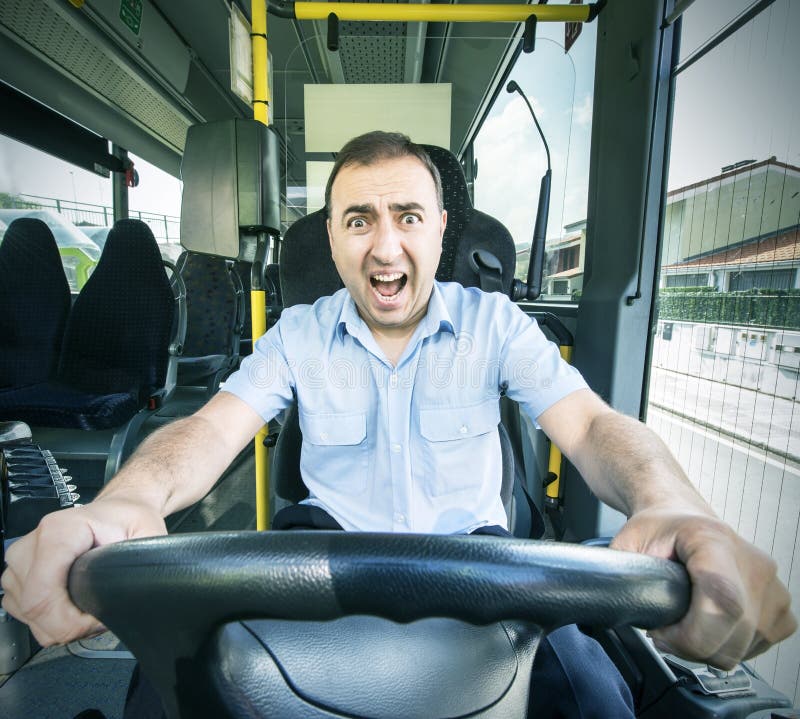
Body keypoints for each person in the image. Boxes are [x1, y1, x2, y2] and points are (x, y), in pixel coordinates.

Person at [1, 132, 795, 717]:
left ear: (441, 230)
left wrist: (672, 501)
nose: (386, 245)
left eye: (408, 216)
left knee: (600, 694)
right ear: (334, 241)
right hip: (319, 565)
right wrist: (127, 500)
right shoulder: (301, 333)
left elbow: (589, 426)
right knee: (167, 685)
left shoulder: (496, 325)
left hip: (482, 566)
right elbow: (208, 430)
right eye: (359, 220)